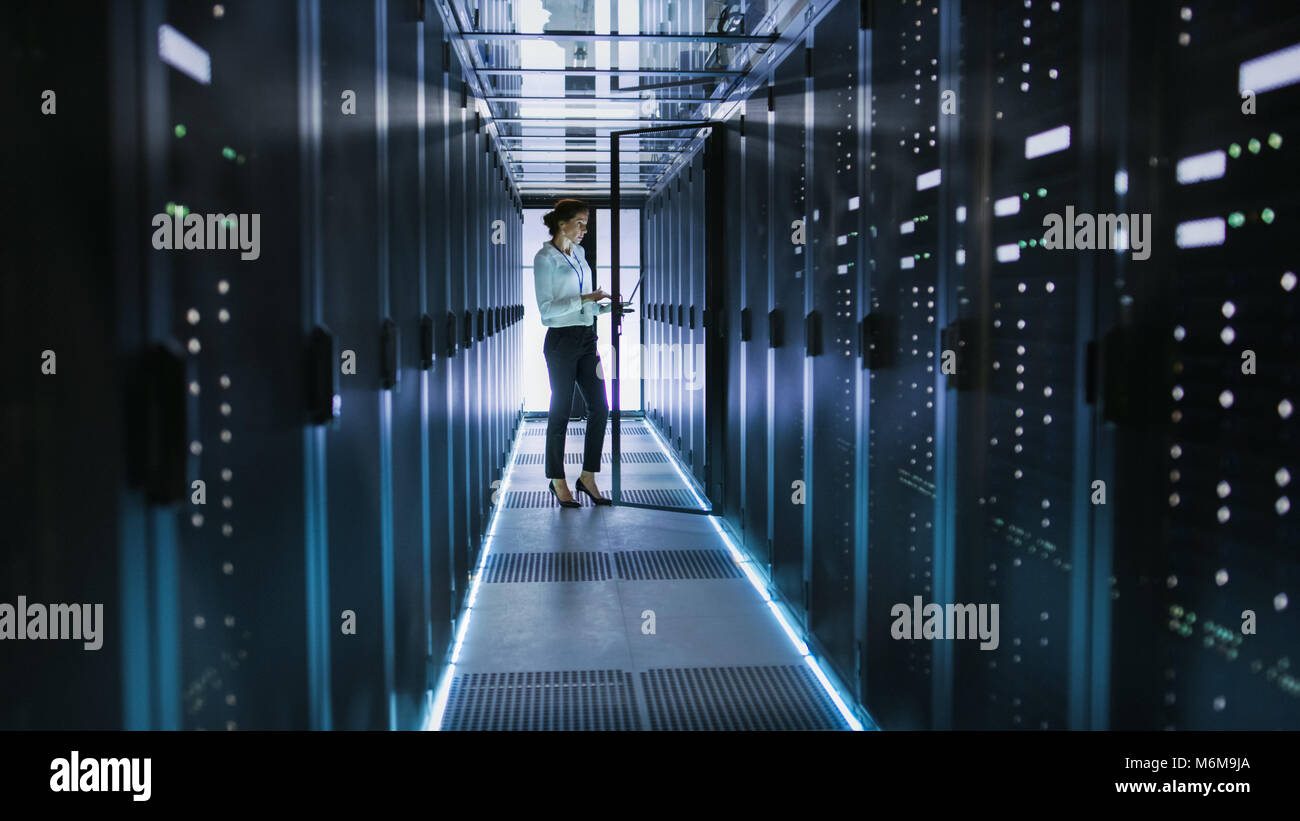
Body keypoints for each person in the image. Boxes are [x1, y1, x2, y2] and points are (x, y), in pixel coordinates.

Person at [533, 198, 614, 507]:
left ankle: (588, 476)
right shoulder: (545, 259)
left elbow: (586, 305)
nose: (584, 230)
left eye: (586, 224)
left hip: (586, 337)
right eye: (579, 223)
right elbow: (546, 312)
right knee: (561, 411)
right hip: (561, 341)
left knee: (600, 407)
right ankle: (557, 480)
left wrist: (602, 307)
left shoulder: (579, 254)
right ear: (561, 224)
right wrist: (584, 298)